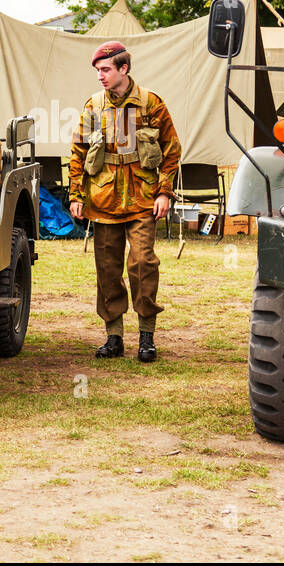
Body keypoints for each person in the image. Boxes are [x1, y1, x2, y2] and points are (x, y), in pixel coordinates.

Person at [69, 41, 181, 362]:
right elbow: (77, 151)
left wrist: (164, 191)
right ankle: (114, 336)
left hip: (143, 198)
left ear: (124, 69)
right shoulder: (93, 106)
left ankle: (146, 336)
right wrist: (76, 194)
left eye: (106, 70)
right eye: (98, 71)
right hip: (103, 200)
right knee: (107, 269)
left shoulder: (150, 104)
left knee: (143, 263)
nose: (100, 76)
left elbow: (171, 150)